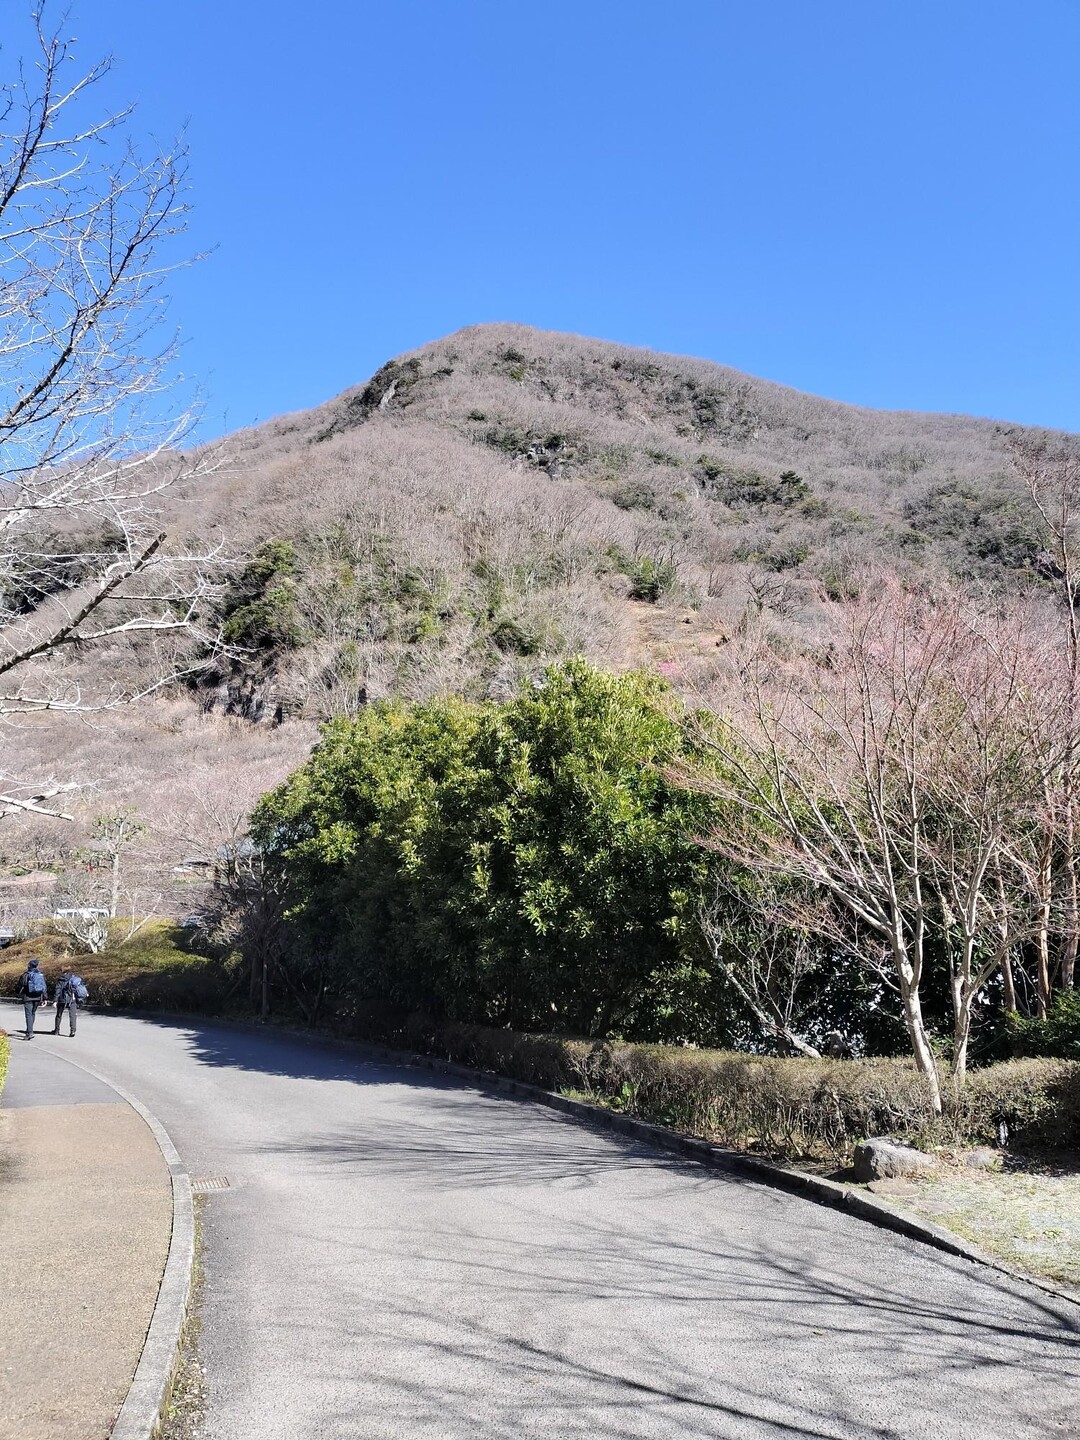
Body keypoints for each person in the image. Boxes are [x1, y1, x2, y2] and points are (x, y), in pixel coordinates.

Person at [16, 957, 48, 1038]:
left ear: (29, 966)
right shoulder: (40, 975)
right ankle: (29, 1030)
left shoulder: (26, 975)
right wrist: (45, 998)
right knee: (33, 1013)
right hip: (38, 997)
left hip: (28, 997)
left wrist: (17, 993)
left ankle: (30, 1032)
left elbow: (19, 985)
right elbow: (44, 987)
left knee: (28, 1014)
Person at [52, 966, 81, 1038]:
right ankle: (73, 1031)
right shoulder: (73, 978)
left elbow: (58, 990)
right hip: (72, 999)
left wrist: (55, 1000)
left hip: (62, 999)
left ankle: (57, 1030)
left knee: (59, 1014)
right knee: (72, 1015)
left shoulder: (61, 979)